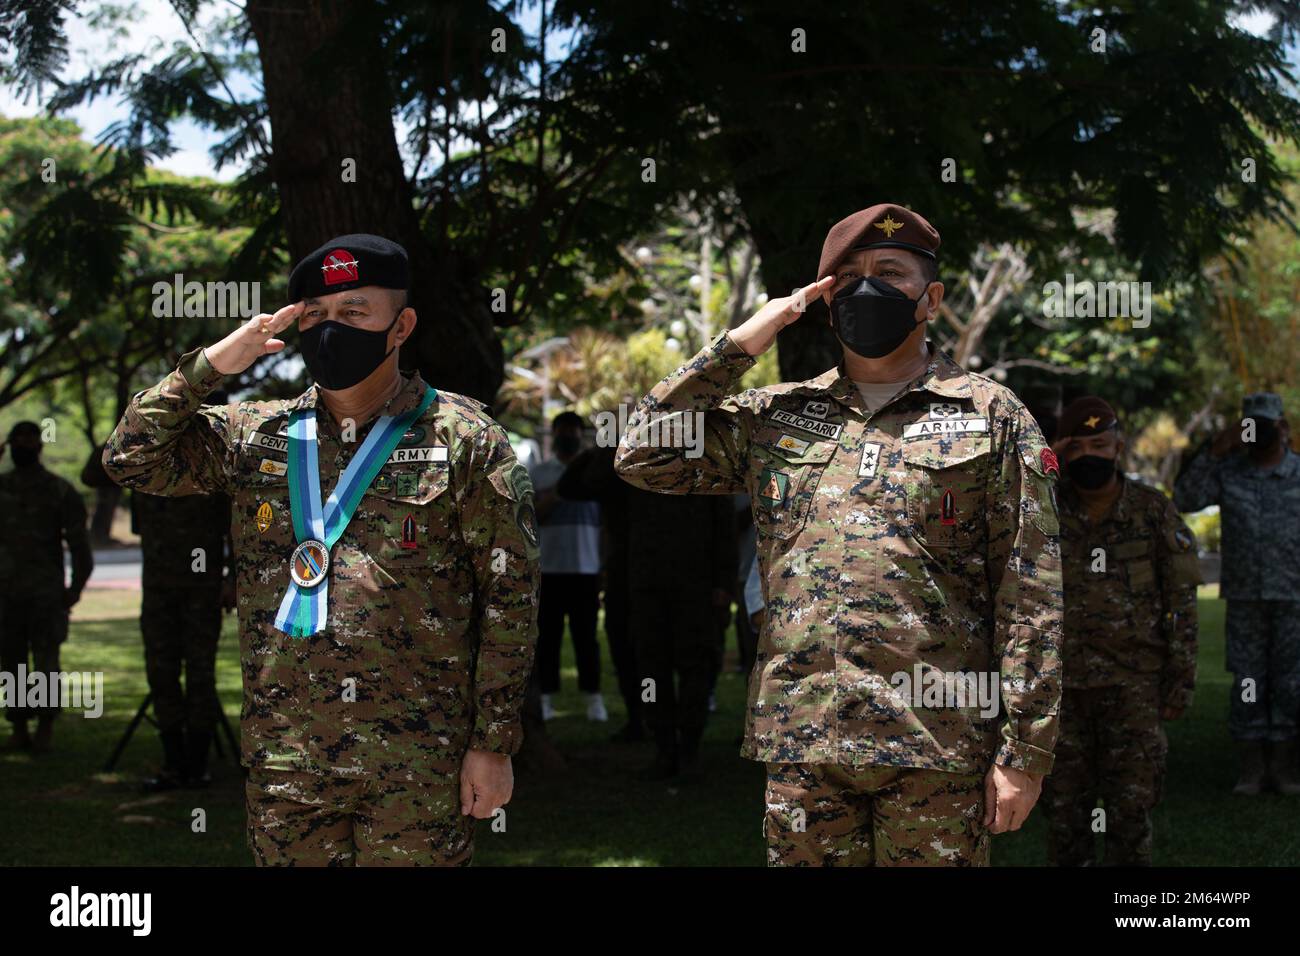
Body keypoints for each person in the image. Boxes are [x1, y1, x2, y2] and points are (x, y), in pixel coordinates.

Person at [616, 203, 1063, 866]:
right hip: (804, 741)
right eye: (848, 277)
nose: (867, 289)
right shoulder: (776, 417)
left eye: (890, 272)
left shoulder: (991, 416)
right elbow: (642, 450)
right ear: (824, 301)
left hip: (937, 741)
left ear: (931, 298)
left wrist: (1025, 751)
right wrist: (744, 342)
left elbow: (1032, 594)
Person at [103, 233, 541, 864]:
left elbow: (510, 598)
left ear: (401, 325)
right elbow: (130, 457)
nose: (332, 330)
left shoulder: (466, 440)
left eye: (355, 313)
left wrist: (494, 742)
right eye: (317, 316)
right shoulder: (255, 434)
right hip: (287, 760)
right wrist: (215, 364)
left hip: (418, 761)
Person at [1044, 396, 1201, 865]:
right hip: (1062, 690)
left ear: (1119, 447)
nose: (1090, 456)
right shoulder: (1043, 508)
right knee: (1064, 814)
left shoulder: (1153, 512)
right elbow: (1002, 494)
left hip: (1133, 686)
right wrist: (1046, 459)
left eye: (1100, 443)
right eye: (1078, 448)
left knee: (1130, 813)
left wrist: (1181, 679)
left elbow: (1182, 603)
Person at [1174, 391, 1300, 796]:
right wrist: (1216, 449)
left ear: (1283, 428)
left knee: (1289, 682)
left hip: (1292, 598)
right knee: (1248, 680)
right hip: (1245, 598)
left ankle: (1282, 768)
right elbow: (1185, 499)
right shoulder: (1230, 471)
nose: (1259, 433)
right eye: (1252, 425)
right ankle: (1250, 768)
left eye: (1267, 425)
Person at [134, 477, 236, 791]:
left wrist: (232, 578)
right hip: (158, 591)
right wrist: (124, 429)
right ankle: (173, 762)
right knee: (160, 673)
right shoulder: (144, 470)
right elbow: (94, 474)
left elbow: (235, 530)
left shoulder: (210, 474)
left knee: (200, 674)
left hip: (201, 592)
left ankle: (197, 764)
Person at [0, 421, 94, 753]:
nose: (23, 446)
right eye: (17, 440)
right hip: (7, 594)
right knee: (11, 665)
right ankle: (19, 726)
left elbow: (79, 545)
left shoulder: (59, 490)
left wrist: (75, 587)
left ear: (39, 446)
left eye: (29, 440)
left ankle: (45, 726)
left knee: (44, 664)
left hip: (45, 594)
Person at [528, 411, 605, 722]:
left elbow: (604, 525)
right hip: (549, 569)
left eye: (574, 431)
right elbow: (530, 518)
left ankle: (594, 699)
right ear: (555, 434)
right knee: (547, 637)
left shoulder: (594, 477)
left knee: (587, 638)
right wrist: (557, 494)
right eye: (563, 430)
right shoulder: (539, 473)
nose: (569, 436)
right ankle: (546, 698)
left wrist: (604, 567)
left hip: (586, 569)